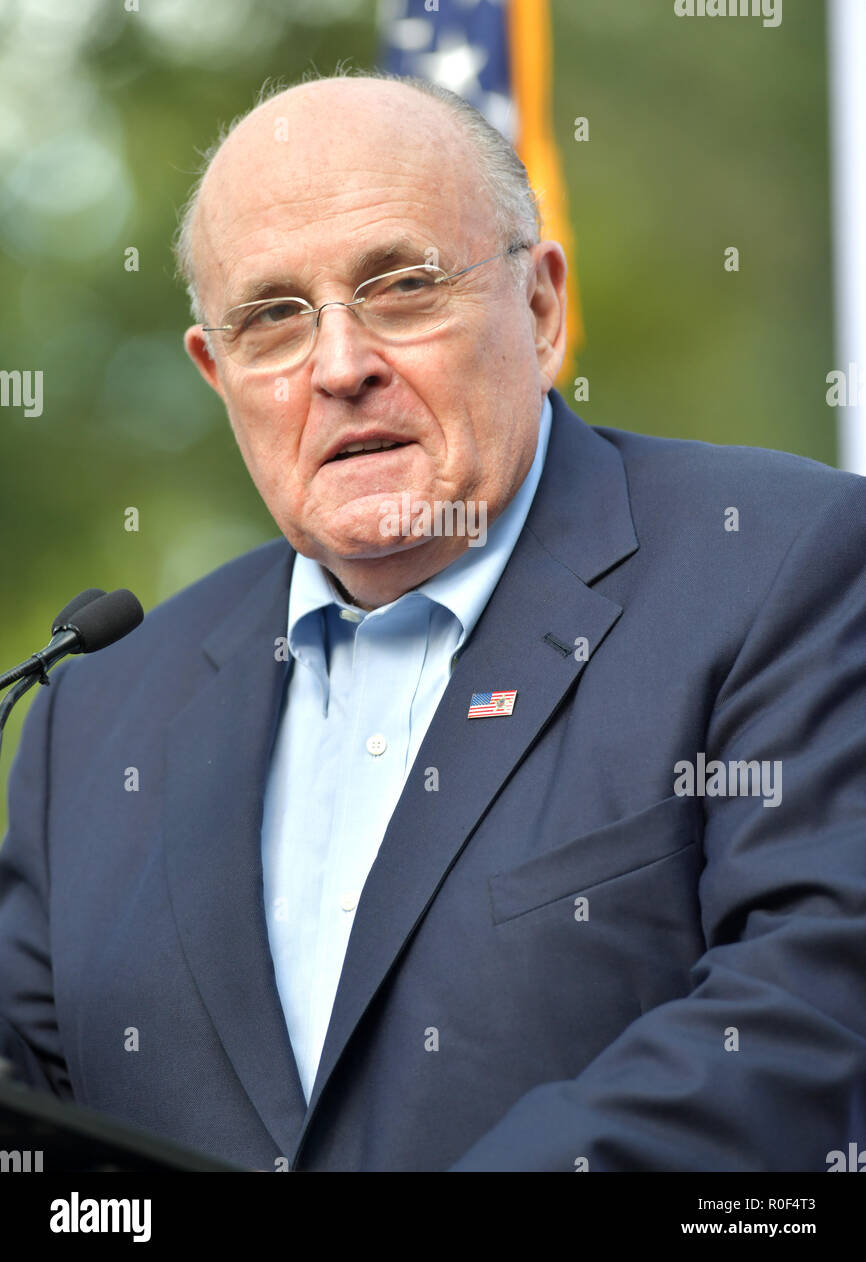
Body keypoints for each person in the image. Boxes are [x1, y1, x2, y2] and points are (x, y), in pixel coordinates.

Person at [1, 71, 865, 1172]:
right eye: (272, 319)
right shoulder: (97, 709)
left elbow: (806, 1018)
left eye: (401, 286)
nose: (340, 366)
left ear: (540, 308)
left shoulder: (783, 566)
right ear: (217, 372)